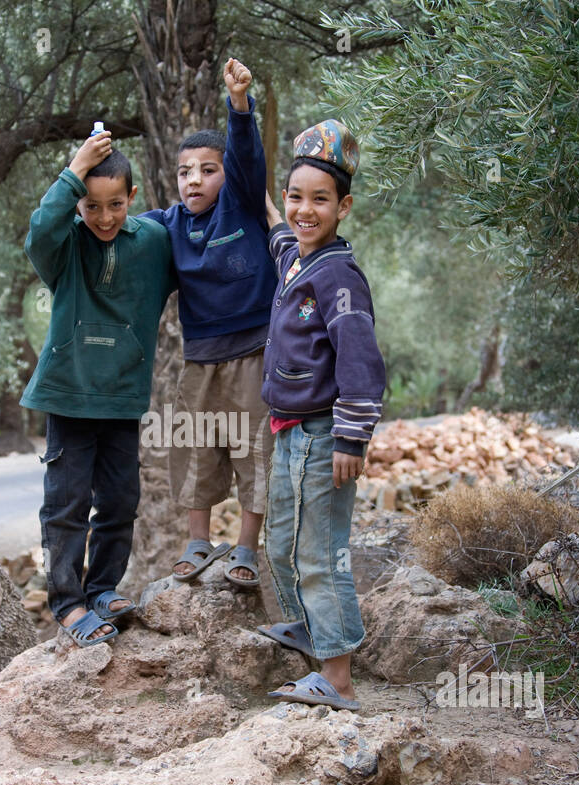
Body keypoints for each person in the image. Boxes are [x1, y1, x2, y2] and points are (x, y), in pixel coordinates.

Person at [20, 131, 175, 647]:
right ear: (78, 203)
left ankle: (103, 588)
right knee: (65, 504)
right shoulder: (64, 246)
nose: (104, 218)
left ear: (133, 199)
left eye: (114, 205)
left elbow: (200, 252)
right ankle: (67, 604)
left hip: (123, 397)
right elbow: (39, 232)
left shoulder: (152, 243)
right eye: (91, 205)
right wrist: (75, 165)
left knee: (120, 499)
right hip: (68, 395)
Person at [257, 120, 386, 710]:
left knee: (318, 550)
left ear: (344, 207)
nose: (304, 210)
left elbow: (360, 359)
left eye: (320, 200)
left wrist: (351, 440)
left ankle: (337, 677)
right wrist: (241, 112)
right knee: (280, 540)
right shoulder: (296, 257)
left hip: (322, 436)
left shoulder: (337, 275)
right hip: (287, 434)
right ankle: (310, 630)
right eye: (295, 197)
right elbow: (274, 224)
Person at [139, 57, 275, 590]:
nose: (194, 179)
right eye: (184, 171)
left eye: (207, 169)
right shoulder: (168, 226)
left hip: (255, 356)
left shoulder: (240, 206)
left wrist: (239, 104)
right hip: (200, 360)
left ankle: (245, 548)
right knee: (192, 448)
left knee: (255, 453)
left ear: (227, 176)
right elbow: (121, 232)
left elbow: (247, 155)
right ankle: (196, 542)